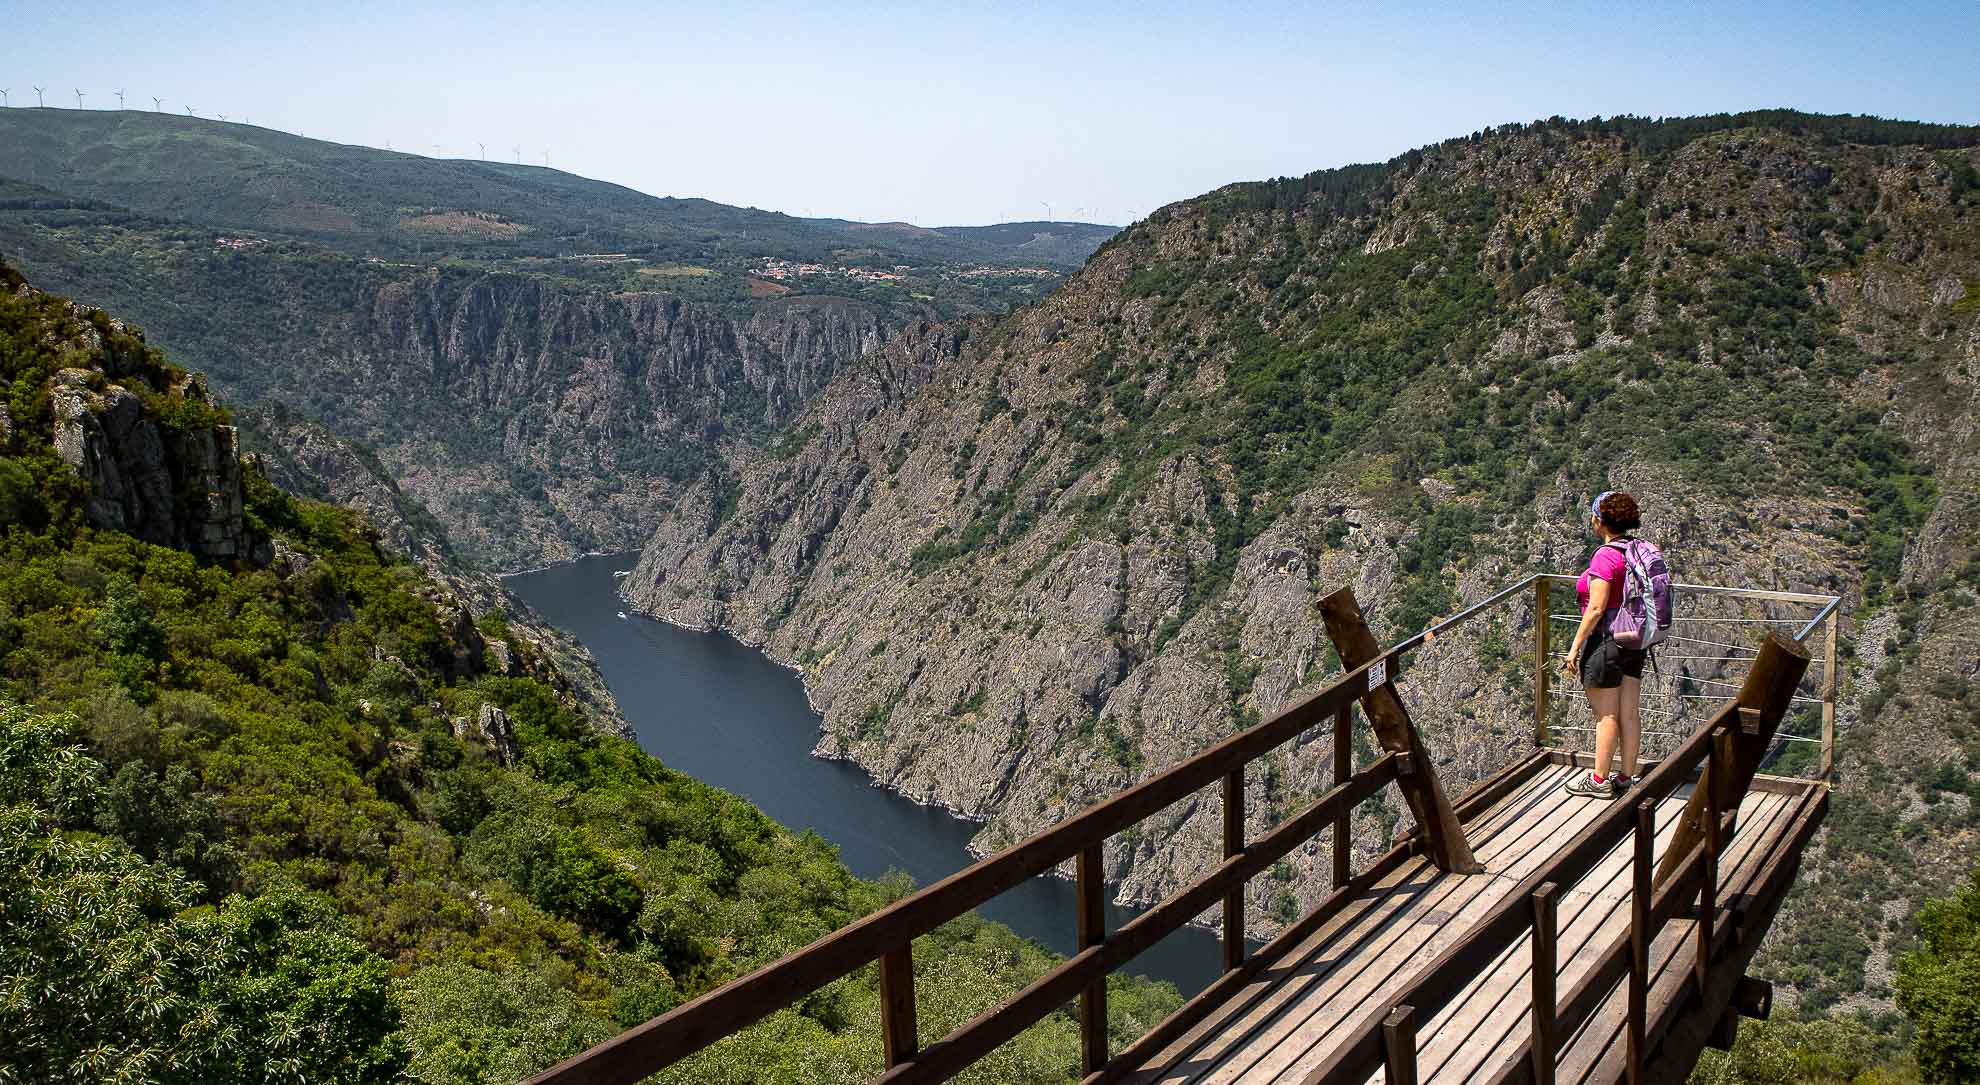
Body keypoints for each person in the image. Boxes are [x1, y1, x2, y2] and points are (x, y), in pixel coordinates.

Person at [1563, 491, 1647, 798]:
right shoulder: (1637, 549)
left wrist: (1575, 647)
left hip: (1607, 641)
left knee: (1606, 716)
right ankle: (1625, 777)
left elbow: (1597, 608)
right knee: (1629, 713)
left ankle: (1599, 781)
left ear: (1600, 520)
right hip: (1634, 641)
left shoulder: (1606, 555)